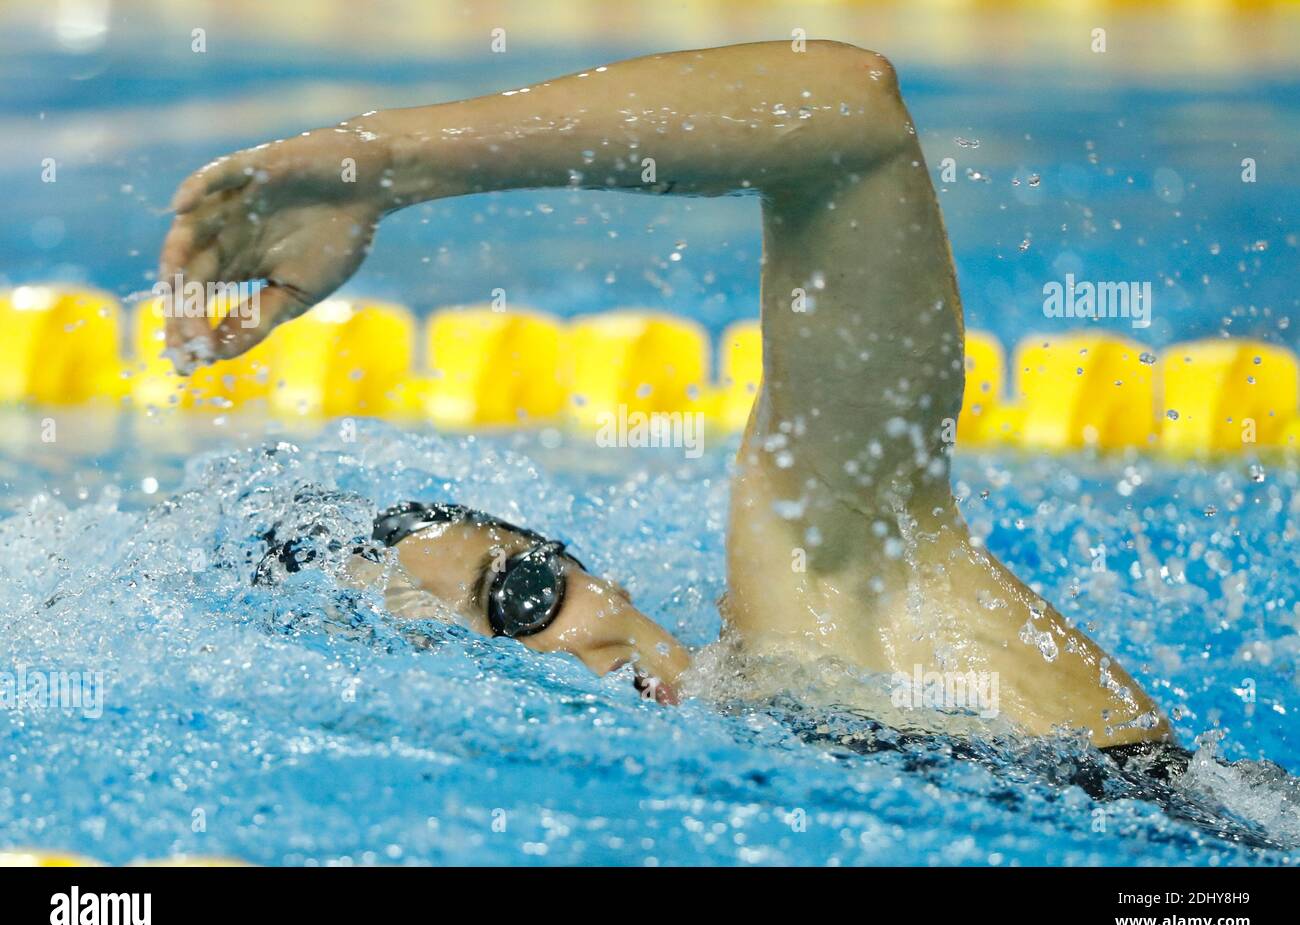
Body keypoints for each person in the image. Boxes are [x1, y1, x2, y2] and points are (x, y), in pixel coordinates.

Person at [159, 40, 1173, 753]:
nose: (559, 666)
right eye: (456, 678)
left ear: (591, 571)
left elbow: (849, 122)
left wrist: (391, 164)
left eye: (524, 598)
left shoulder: (838, 609)